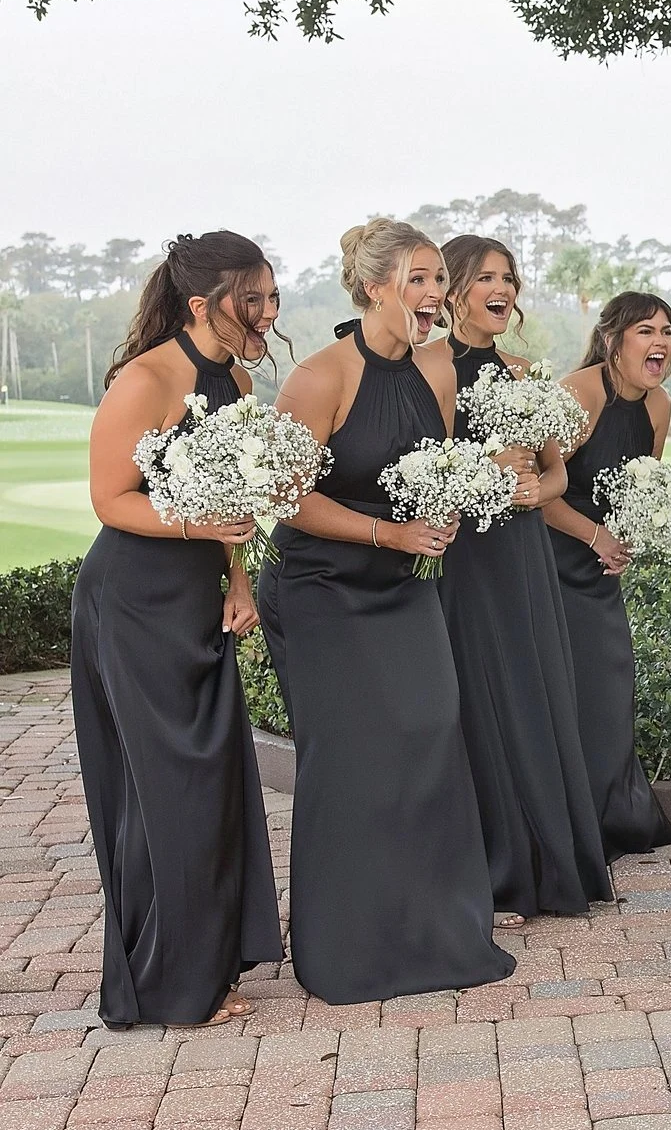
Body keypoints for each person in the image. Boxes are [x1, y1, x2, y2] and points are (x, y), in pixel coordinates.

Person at [256, 220, 515, 1005]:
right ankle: (347, 950)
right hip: (321, 587)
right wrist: (387, 529)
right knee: (348, 761)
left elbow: (435, 471)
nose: (436, 295)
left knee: (431, 732)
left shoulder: (437, 371)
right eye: (420, 280)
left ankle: (435, 930)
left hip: (403, 585)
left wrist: (455, 505)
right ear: (375, 287)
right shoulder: (319, 375)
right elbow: (284, 497)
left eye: (440, 280)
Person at [72, 232, 285, 1028]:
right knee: (167, 794)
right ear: (202, 305)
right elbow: (110, 500)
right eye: (252, 300)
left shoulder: (231, 378)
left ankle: (207, 965)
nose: (267, 313)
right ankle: (167, 985)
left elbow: (234, 488)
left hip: (198, 597)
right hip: (133, 604)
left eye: (271, 296)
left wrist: (237, 579)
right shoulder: (147, 378)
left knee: (214, 784)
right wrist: (202, 528)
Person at [439, 235, 611, 920]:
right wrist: (480, 482)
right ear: (451, 290)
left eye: (508, 277)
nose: (503, 289)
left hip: (522, 556)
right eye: (486, 277)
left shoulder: (524, 375)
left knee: (533, 695)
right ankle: (492, 871)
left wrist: (539, 492)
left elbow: (558, 469)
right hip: (461, 558)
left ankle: (546, 862)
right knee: (478, 701)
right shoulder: (425, 371)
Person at [546, 293, 671, 860]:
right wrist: (594, 534)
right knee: (565, 690)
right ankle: (567, 824)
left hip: (599, 568)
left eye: (668, 332)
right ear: (612, 340)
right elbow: (534, 494)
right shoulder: (579, 394)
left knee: (608, 685)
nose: (661, 343)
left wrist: (632, 534)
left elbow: (638, 491)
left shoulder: (658, 407)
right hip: (550, 559)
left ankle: (615, 818)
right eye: (646, 331)